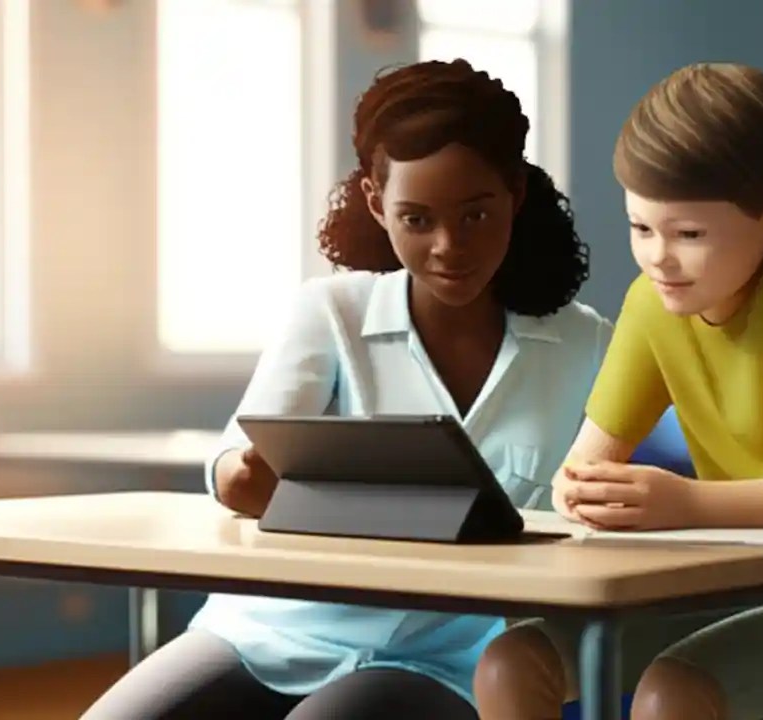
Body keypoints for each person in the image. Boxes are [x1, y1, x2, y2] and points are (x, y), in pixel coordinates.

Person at [81, 58, 610, 720]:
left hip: (444, 656)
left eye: (475, 217)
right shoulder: (331, 313)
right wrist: (244, 475)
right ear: (375, 204)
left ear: (516, 194)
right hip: (269, 630)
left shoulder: (586, 345)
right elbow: (230, 474)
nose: (449, 246)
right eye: (417, 220)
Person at [472, 62, 763, 720]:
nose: (658, 257)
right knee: (510, 663)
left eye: (688, 234)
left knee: (675, 692)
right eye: (641, 228)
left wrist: (688, 502)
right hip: (739, 585)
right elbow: (582, 467)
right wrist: (582, 490)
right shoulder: (652, 304)